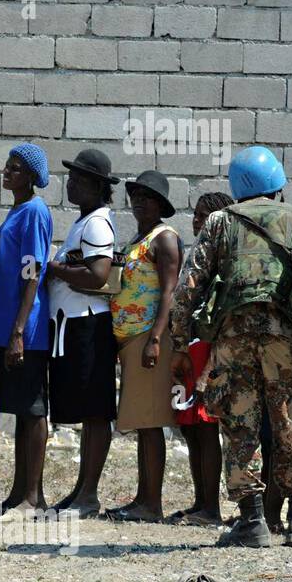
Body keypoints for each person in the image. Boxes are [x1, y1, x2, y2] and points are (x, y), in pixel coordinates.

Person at [170, 146, 292, 548]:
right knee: (289, 423)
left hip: (232, 340)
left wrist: (180, 344)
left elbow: (188, 288)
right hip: (284, 339)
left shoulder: (219, 222)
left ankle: (252, 521)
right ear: (277, 185)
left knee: (239, 424)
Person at [45, 148, 119, 518]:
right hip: (73, 324)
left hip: (89, 324)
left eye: (77, 179)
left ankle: (89, 494)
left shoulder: (97, 224)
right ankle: (80, 491)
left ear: (96, 185)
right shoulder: (84, 221)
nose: (70, 184)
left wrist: (56, 270)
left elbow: (98, 276)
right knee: (89, 411)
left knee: (95, 412)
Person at [107, 170, 181, 522]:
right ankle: (142, 497)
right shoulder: (140, 237)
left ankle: (152, 504)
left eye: (147, 198)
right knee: (142, 421)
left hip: (148, 338)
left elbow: (169, 291)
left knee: (151, 423)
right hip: (129, 339)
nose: (139, 202)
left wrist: (155, 338)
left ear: (160, 204)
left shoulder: (165, 239)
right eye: (135, 196)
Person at [0, 143, 53, 518]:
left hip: (24, 326)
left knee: (32, 410)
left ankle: (33, 496)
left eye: (15, 168)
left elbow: (33, 271)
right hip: (7, 323)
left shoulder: (34, 212)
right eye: (7, 167)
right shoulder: (16, 210)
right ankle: (18, 493)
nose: (7, 173)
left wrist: (17, 332)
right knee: (18, 410)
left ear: (30, 176)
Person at [169, 192, 233, 527]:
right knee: (190, 428)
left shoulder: (225, 257)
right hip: (190, 348)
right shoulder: (200, 254)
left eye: (203, 216)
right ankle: (199, 502)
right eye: (194, 215)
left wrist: (209, 365)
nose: (196, 221)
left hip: (211, 349)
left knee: (206, 428)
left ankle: (211, 508)